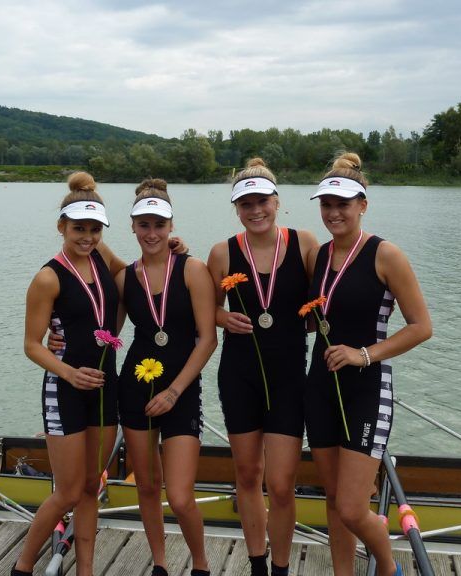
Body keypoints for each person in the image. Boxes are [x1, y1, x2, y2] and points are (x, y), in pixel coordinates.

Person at [304, 153, 432, 576]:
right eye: (326, 204)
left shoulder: (385, 254)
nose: (334, 213)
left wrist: (364, 354)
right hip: (321, 385)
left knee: (353, 506)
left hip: (367, 388)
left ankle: (387, 565)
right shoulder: (318, 256)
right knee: (332, 498)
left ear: (363, 204)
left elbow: (421, 326)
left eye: (343, 204)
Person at [207, 158, 319, 576]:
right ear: (236, 207)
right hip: (240, 376)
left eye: (263, 201)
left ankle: (281, 567)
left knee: (283, 483)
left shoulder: (305, 243)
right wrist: (222, 318)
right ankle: (257, 565)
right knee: (248, 474)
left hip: (289, 377)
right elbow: (203, 310)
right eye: (246, 203)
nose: (255, 210)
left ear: (278, 201)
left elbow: (330, 296)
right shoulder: (222, 252)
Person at [13, 172, 122, 576]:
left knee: (93, 486)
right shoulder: (47, 277)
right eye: (79, 228)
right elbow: (32, 345)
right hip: (65, 390)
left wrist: (174, 248)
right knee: (68, 492)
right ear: (61, 226)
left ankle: (86, 570)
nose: (87, 237)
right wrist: (69, 373)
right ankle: (23, 565)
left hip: (104, 387)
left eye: (95, 229)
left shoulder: (102, 257)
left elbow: (138, 280)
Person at [116, 178, 217, 576]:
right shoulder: (125, 278)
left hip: (181, 391)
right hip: (135, 387)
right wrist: (58, 337)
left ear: (171, 225)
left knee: (178, 496)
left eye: (159, 224)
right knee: (145, 487)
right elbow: (105, 332)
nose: (152, 233)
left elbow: (208, 340)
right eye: (144, 225)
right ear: (133, 227)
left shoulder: (193, 270)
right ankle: (159, 563)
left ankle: (200, 564)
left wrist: (175, 391)